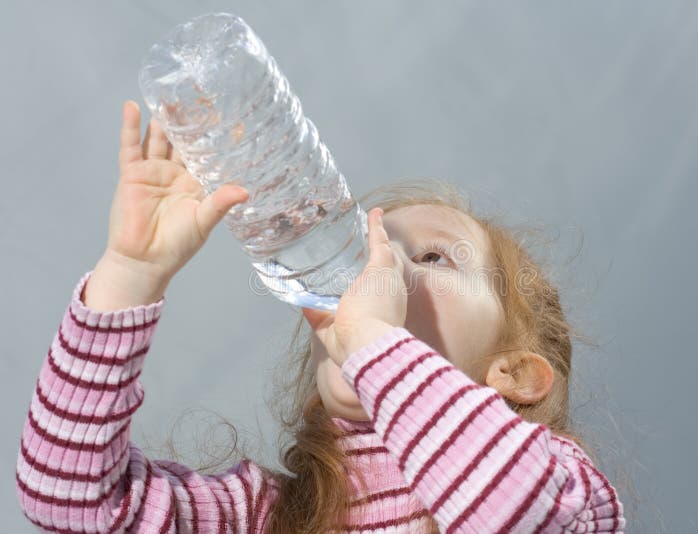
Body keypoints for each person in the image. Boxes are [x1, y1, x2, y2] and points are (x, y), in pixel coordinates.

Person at [15, 100, 626, 533]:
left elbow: (519, 511)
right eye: (369, 246)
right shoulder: (269, 516)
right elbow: (74, 503)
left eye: (433, 256)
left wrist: (375, 342)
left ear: (514, 373)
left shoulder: (564, 487)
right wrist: (130, 273)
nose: (375, 265)